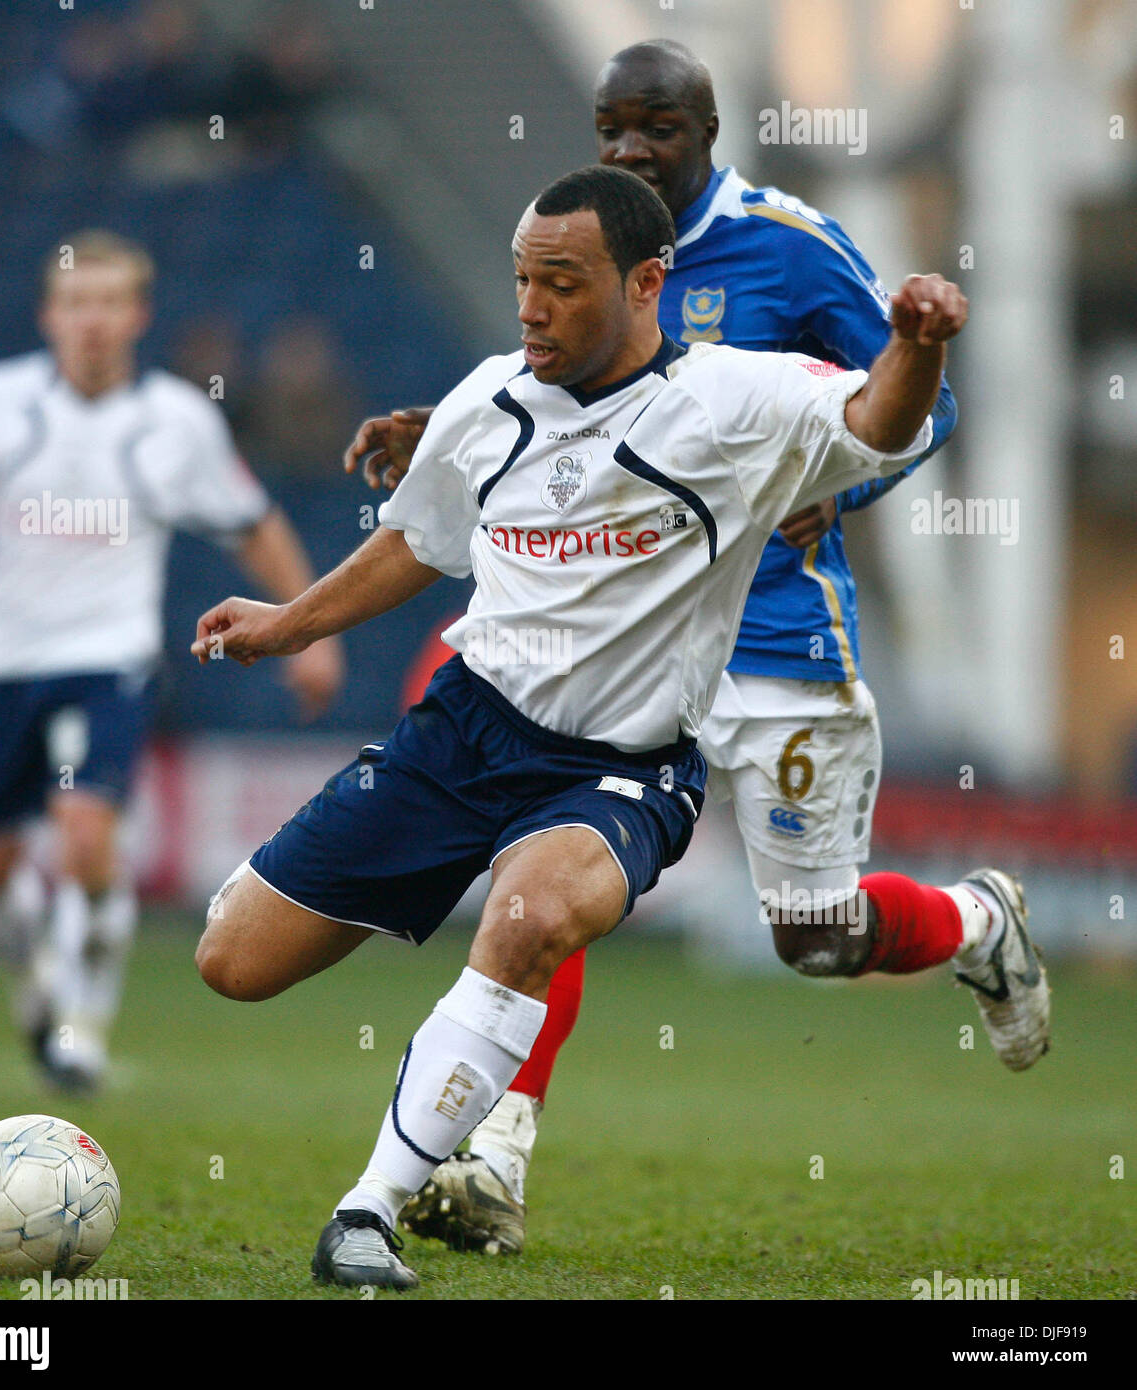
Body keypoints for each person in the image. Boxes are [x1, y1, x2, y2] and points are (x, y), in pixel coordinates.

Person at [191, 163, 968, 1289]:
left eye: (561, 281)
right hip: (460, 733)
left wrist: (919, 343)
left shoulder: (736, 401)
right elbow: (420, 540)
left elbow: (875, 419)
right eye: (522, 280)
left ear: (648, 281)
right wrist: (290, 624)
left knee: (532, 918)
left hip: (620, 771)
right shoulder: (487, 400)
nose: (532, 306)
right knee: (231, 960)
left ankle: (369, 1210)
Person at [343, 40, 1046, 1261]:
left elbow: (920, 398)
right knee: (540, 877)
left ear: (710, 127)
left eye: (654, 127)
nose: (626, 149)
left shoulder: (791, 245)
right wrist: (438, 430)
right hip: (615, 647)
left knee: (815, 934)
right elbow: (540, 388)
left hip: (771, 626)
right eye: (612, 126)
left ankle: (978, 923)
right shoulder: (587, 244)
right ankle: (495, 1157)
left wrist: (852, 492)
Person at [0, 229, 343, 1090]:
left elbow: (255, 525)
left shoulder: (176, 421)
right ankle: (35, 1000)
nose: (92, 322)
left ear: (136, 315)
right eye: (75, 304)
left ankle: (82, 1027)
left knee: (86, 834)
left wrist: (307, 632)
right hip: (2, 664)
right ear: (48, 315)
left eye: (108, 303)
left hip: (113, 658)